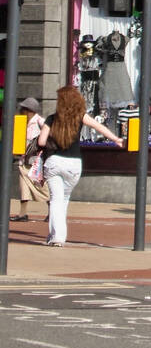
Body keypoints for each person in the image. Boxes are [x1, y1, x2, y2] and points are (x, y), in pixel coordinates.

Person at [37, 87, 124, 247]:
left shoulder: (51, 119)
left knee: (56, 199)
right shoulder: (80, 116)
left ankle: (57, 237)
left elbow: (41, 142)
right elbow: (100, 127)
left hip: (54, 161)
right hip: (73, 164)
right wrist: (116, 139)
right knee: (63, 199)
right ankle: (55, 235)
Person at [12, 97, 49, 222]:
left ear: (29, 110)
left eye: (23, 109)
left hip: (35, 161)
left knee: (40, 186)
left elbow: (49, 135)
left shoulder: (40, 121)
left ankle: (52, 210)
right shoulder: (22, 122)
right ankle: (22, 213)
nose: (21, 111)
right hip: (23, 160)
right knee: (24, 188)